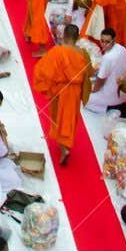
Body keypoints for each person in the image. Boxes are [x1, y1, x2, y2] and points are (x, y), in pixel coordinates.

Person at [33, 23, 91, 164]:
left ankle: (64, 149)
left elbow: (43, 71)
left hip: (60, 90)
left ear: (64, 35)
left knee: (58, 117)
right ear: (77, 38)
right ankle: (66, 145)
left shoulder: (57, 51)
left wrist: (49, 84)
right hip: (75, 91)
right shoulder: (83, 53)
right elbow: (88, 73)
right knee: (69, 118)